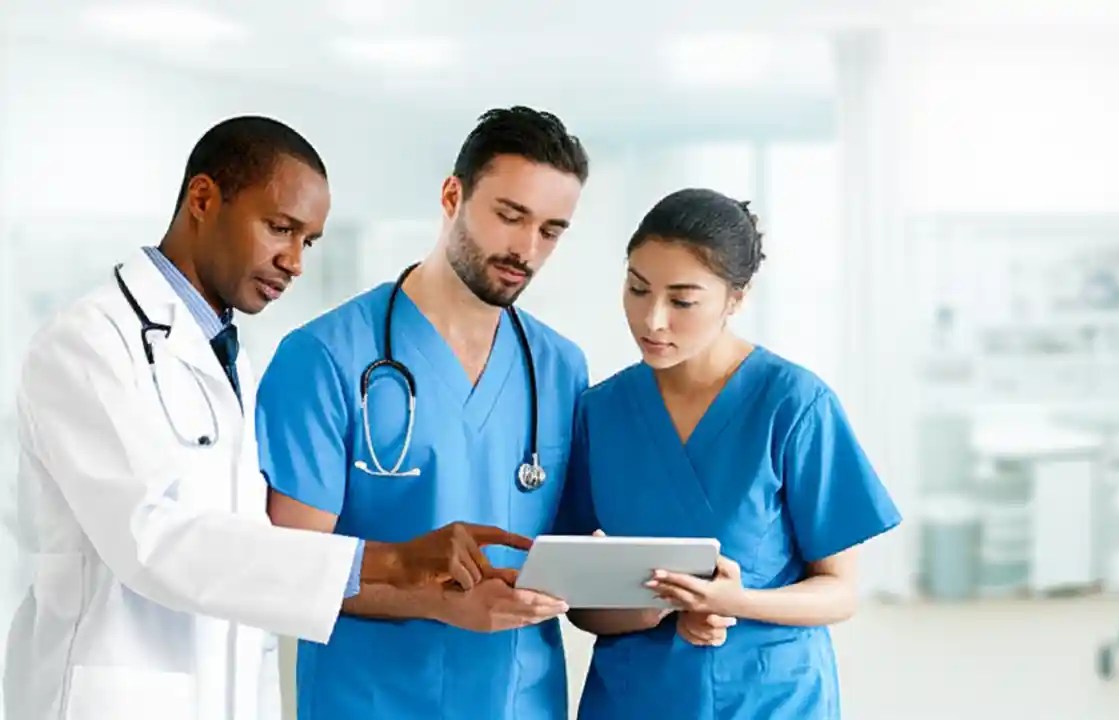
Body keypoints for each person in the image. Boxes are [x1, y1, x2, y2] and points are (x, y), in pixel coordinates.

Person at [3, 116, 531, 720]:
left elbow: (242, 553)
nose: (295, 261)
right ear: (203, 199)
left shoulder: (225, 354)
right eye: (280, 228)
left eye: (308, 241)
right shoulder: (88, 343)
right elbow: (153, 540)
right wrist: (392, 558)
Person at [254, 106, 590, 720]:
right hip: (372, 702)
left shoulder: (560, 368)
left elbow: (571, 555)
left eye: (551, 230)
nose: (526, 249)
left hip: (521, 702)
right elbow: (289, 570)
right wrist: (438, 603)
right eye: (509, 216)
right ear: (452, 195)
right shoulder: (324, 359)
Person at [558, 188, 902, 719]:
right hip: (635, 699)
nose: (652, 320)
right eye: (637, 289)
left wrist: (733, 604)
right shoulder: (599, 413)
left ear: (735, 299)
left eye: (682, 300)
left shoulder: (794, 404)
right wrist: (660, 608)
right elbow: (580, 604)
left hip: (768, 698)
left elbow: (839, 592)